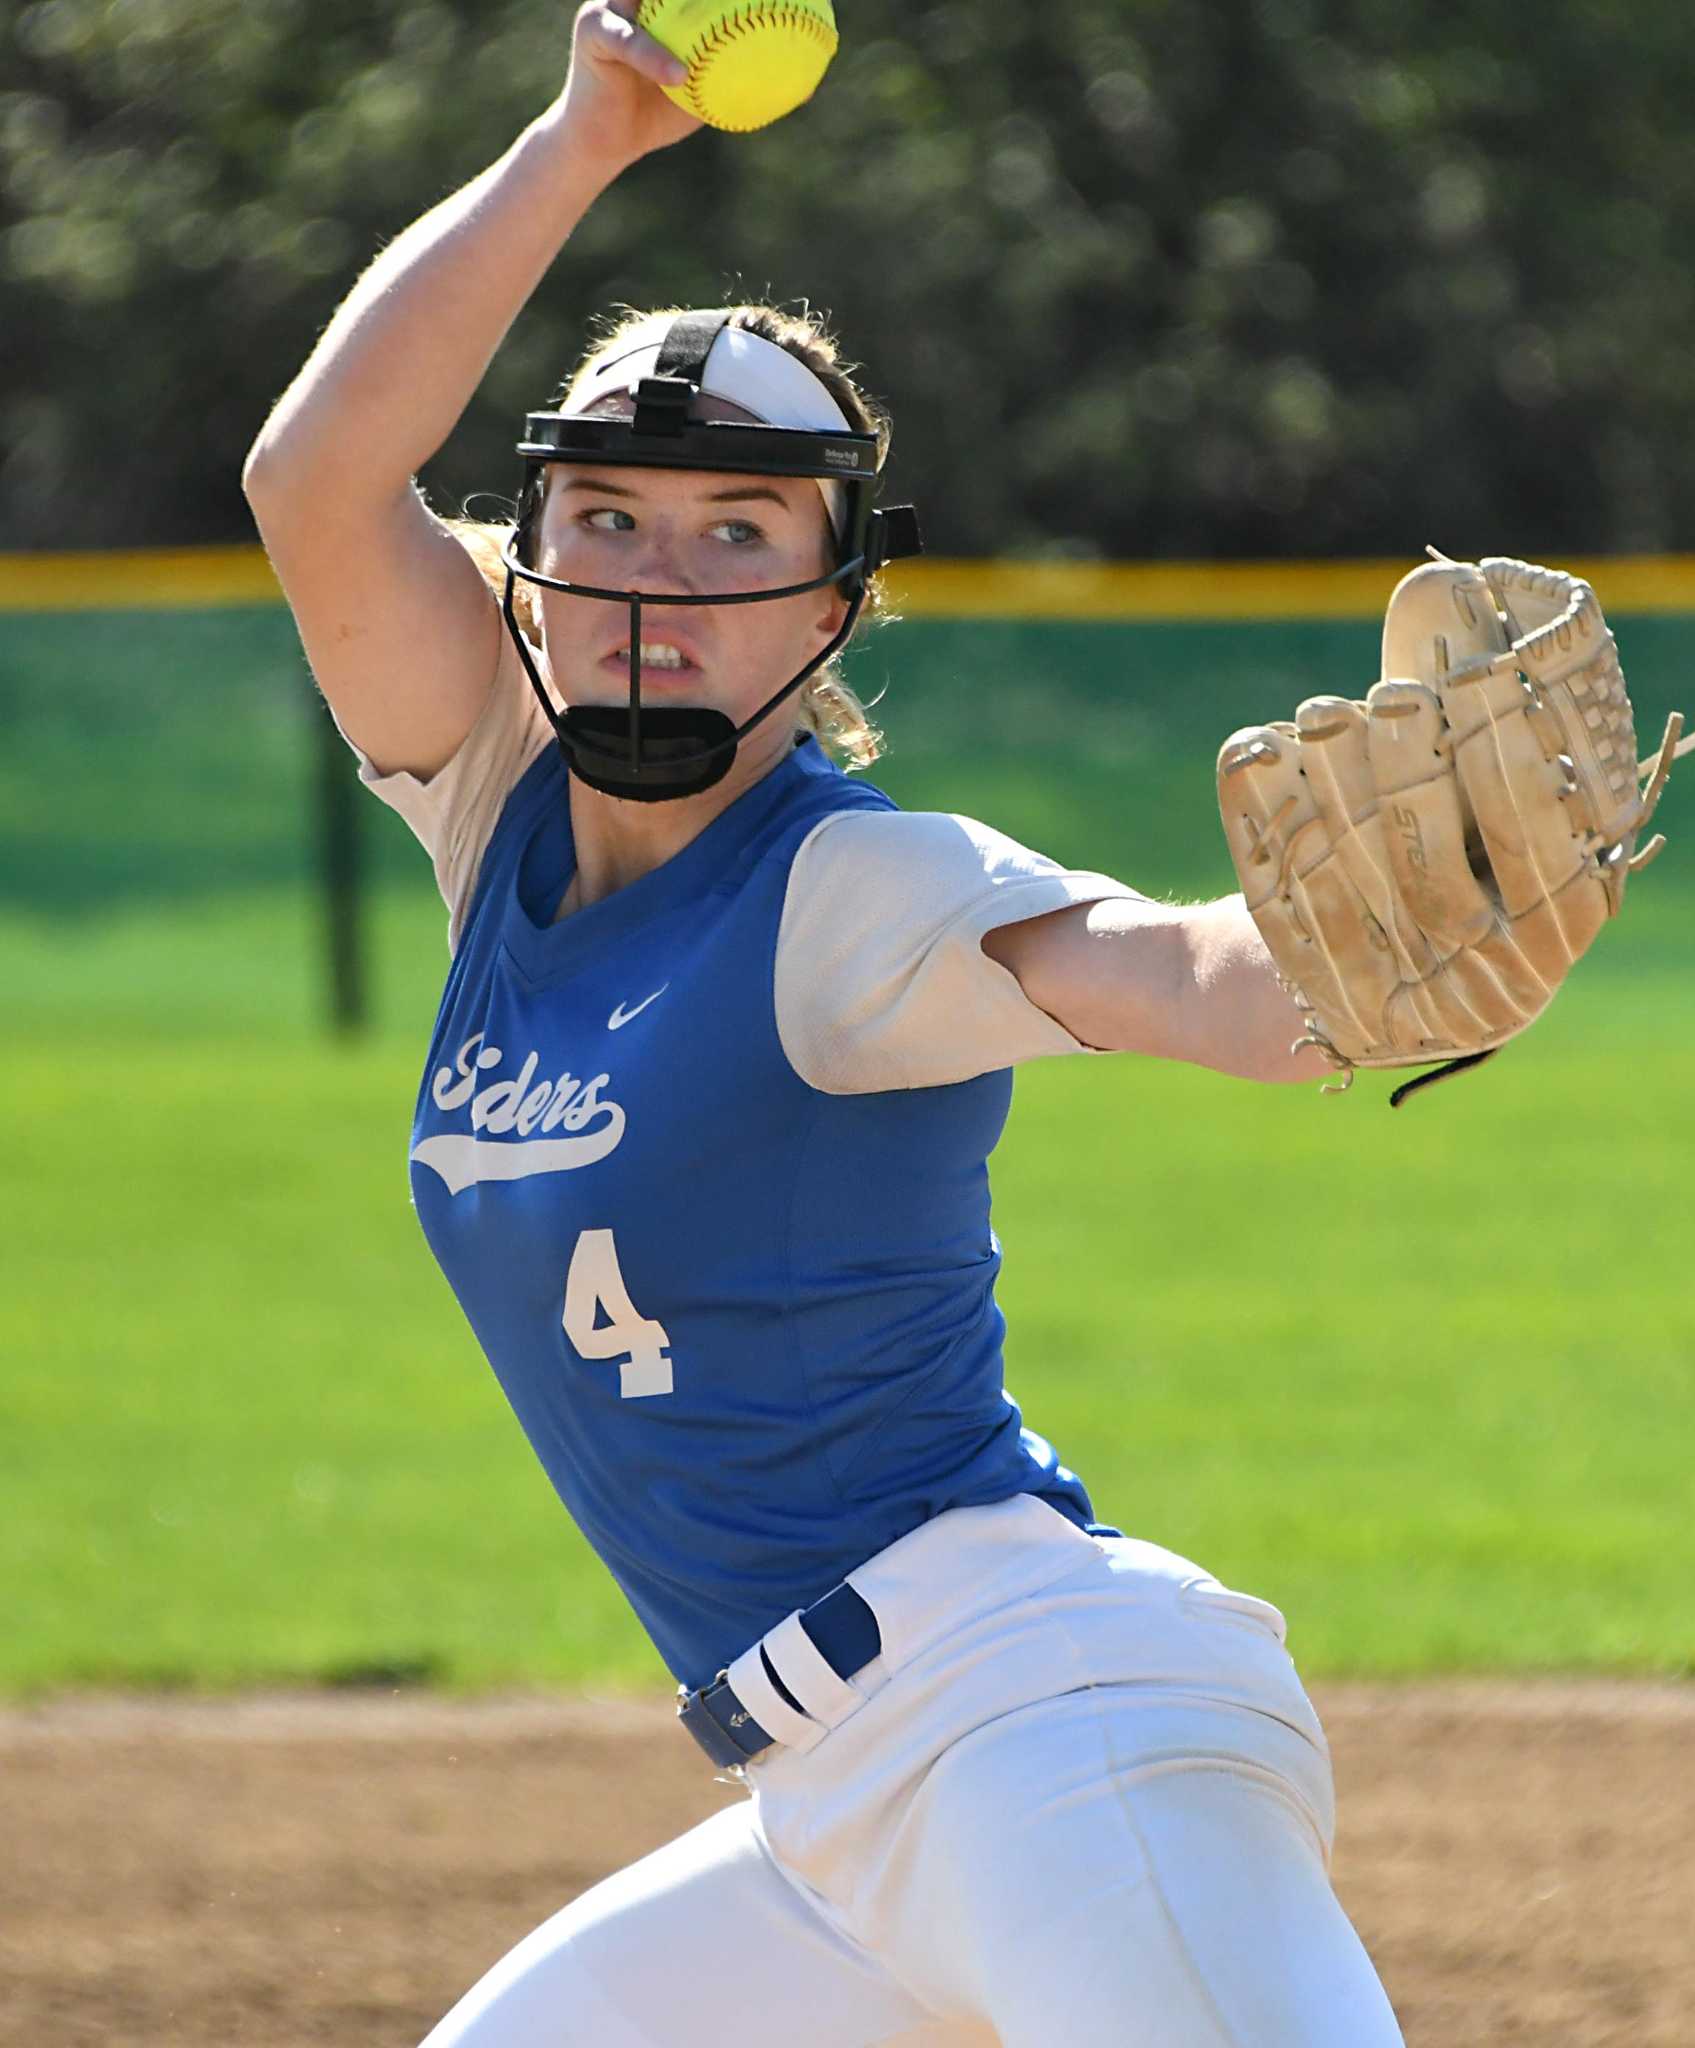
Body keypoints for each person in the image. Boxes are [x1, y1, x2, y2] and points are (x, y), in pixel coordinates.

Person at [243, 6, 1407, 2043]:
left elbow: (1174, 971)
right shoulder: (491, 811)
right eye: (604, 515)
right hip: (824, 1815)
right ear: (528, 556)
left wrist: (1366, 940)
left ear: (830, 598)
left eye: (733, 532)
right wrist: (583, 138)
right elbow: (316, 482)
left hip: (1049, 1732)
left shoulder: (844, 884)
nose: (651, 581)